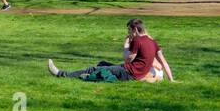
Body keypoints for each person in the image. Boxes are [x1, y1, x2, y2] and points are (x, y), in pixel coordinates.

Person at [49, 18, 177, 83]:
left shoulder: (138, 40)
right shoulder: (153, 42)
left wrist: (126, 44)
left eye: (129, 31)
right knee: (102, 64)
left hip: (130, 73)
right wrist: (171, 80)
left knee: (92, 69)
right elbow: (165, 63)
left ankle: (61, 73)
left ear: (135, 30)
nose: (129, 33)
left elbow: (128, 59)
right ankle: (84, 74)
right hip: (135, 73)